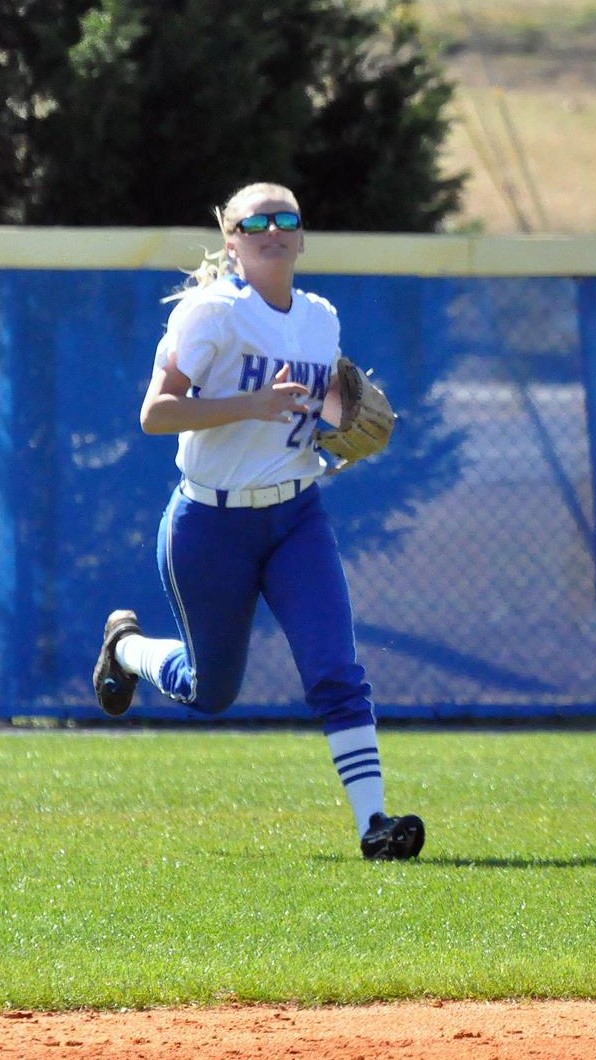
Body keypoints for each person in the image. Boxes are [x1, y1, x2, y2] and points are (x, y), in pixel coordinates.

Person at [91, 182, 425, 862]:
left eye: (286, 219)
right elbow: (155, 414)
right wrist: (251, 404)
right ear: (232, 239)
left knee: (335, 670)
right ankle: (126, 649)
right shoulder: (211, 312)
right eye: (256, 222)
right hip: (209, 525)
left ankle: (375, 825)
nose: (273, 230)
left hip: (296, 516)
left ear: (301, 238)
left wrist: (343, 421)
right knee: (210, 691)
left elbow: (319, 411)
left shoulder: (321, 318)